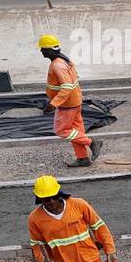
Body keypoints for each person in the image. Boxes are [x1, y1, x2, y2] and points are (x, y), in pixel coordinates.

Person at [40, 34, 101, 167]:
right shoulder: (64, 61)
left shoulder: (57, 65)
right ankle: (82, 158)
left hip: (67, 105)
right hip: (74, 102)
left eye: (43, 49)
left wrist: (53, 103)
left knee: (61, 130)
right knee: (75, 132)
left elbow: (66, 86)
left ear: (49, 50)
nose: (41, 51)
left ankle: (92, 143)